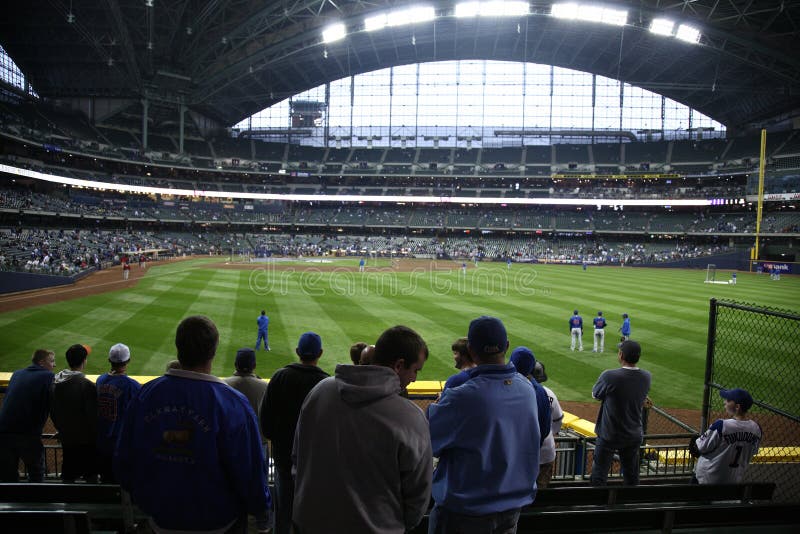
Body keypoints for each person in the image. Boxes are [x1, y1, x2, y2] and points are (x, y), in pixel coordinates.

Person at [114, 316, 272, 532]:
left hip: (160, 520)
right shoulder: (233, 403)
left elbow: (124, 462)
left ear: (178, 347)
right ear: (213, 351)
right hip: (221, 523)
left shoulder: (145, 395)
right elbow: (251, 474)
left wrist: (149, 500)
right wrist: (261, 511)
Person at [293, 326, 432, 534]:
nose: (414, 378)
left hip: (310, 523)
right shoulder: (410, 417)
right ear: (399, 365)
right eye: (415, 370)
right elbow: (418, 496)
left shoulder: (320, 391)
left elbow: (298, 458)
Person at [428, 317, 540, 534]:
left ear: (470, 349)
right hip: (512, 512)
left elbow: (426, 442)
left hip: (463, 514)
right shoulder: (527, 389)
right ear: (507, 346)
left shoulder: (461, 397)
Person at [261, 332, 329, 534]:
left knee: (283, 516)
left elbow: (265, 422)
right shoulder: (326, 384)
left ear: (298, 352)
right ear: (320, 353)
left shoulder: (280, 377)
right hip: (315, 468)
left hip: (283, 461)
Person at [589, 340, 651, 486]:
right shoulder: (646, 377)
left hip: (610, 434)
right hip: (634, 434)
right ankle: (630, 506)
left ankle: (597, 507)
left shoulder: (610, 376)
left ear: (621, 355)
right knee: (631, 476)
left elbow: (595, 394)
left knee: (599, 475)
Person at [0, 349, 56, 482]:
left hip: (3, 432)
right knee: (36, 472)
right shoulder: (48, 376)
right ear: (42, 362)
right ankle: (36, 501)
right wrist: (61, 428)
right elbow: (54, 406)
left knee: (8, 476)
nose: (54, 365)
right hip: (27, 433)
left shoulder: (17, 373)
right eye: (52, 361)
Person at [691, 388, 762, 484]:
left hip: (706, 480)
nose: (725, 402)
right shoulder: (756, 429)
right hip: (733, 483)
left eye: (728, 400)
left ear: (737, 407)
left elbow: (699, 448)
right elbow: (752, 452)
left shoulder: (721, 425)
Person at [51, 344, 98, 483]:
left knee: (68, 476)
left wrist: (61, 429)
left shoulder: (55, 382)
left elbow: (53, 411)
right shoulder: (86, 385)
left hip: (67, 438)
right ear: (84, 361)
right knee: (91, 477)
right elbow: (93, 417)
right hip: (86, 441)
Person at [96, 343, 141, 484]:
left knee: (105, 480)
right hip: (121, 444)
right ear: (128, 361)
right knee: (122, 483)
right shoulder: (132, 386)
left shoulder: (100, 380)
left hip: (102, 442)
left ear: (109, 360)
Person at [509, 347, 553, 447]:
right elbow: (545, 429)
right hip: (532, 452)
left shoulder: (504, 387)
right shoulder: (541, 392)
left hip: (509, 452)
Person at [532, 360, 563, 488]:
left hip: (523, 453)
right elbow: (558, 419)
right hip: (546, 451)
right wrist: (551, 432)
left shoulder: (519, 393)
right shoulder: (550, 394)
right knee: (541, 492)